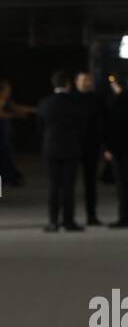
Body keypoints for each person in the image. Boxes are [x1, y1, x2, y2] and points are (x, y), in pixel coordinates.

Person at [36, 68, 85, 232]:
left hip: (51, 148)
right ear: (68, 84)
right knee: (68, 187)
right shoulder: (75, 103)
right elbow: (81, 126)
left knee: (54, 186)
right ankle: (68, 221)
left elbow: (40, 126)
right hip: (71, 148)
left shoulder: (45, 102)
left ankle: (53, 222)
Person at [0, 79, 36, 185]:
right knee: (2, 158)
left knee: (5, 157)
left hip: (5, 134)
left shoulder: (7, 102)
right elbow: (0, 114)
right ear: (1, 91)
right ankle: (6, 180)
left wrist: (33, 109)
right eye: (7, 89)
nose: (9, 91)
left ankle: (7, 179)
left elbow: (18, 108)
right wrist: (16, 115)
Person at [74, 69, 105, 225]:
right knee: (67, 183)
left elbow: (103, 124)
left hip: (91, 146)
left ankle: (91, 215)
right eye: (84, 80)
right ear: (76, 82)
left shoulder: (97, 100)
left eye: (89, 80)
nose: (87, 83)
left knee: (90, 183)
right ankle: (68, 217)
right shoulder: (70, 99)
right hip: (73, 146)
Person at [103, 75, 128, 228]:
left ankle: (124, 217)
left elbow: (111, 128)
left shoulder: (117, 102)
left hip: (120, 150)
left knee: (123, 185)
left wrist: (108, 148)